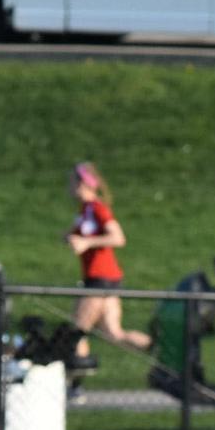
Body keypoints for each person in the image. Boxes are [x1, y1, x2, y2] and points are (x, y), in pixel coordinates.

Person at [64, 162, 151, 396]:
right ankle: (159, 348)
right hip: (107, 280)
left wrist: (86, 242)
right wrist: (71, 237)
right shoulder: (84, 211)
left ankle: (75, 387)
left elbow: (118, 238)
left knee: (77, 332)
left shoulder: (97, 208)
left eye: (71, 181)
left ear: (82, 183)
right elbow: (82, 234)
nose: (68, 187)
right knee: (114, 334)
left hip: (99, 280)